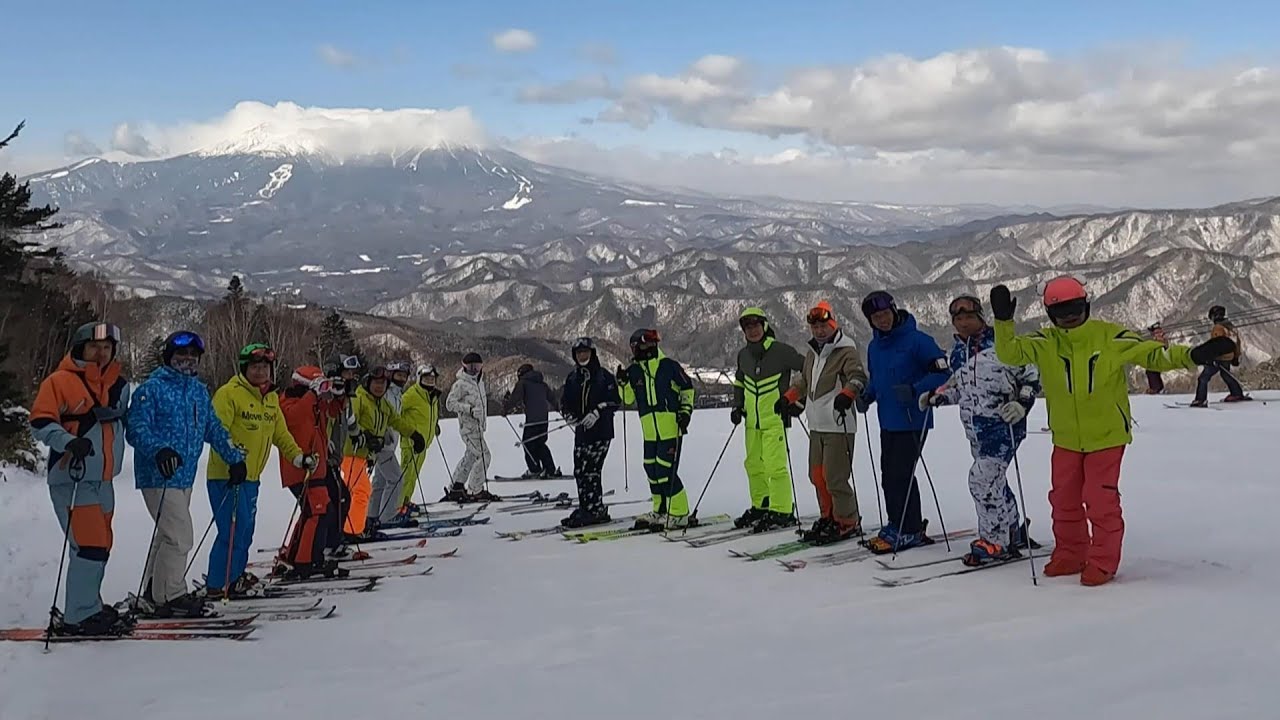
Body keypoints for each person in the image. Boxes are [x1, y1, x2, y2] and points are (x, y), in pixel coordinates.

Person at [991, 277, 1236, 585]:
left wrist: (1193, 355)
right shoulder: (1045, 342)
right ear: (1051, 315)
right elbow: (1009, 353)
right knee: (1063, 499)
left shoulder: (1110, 337)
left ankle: (1103, 561)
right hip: (1066, 438)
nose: (1070, 316)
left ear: (1086, 306)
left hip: (1107, 436)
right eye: (1062, 311)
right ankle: (1070, 554)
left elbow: (1153, 355)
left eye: (1075, 308)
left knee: (1099, 499)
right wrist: (1003, 322)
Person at [126, 330, 246, 617]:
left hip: (185, 476)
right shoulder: (151, 390)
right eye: (181, 354)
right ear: (169, 356)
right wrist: (159, 450)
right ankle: (170, 595)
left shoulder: (198, 392)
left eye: (193, 355)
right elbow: (136, 429)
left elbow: (213, 428)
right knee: (180, 536)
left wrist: (234, 459)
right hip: (159, 475)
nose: (188, 359)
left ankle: (153, 590)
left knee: (167, 536)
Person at [919, 296, 1041, 566]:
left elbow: (1031, 378)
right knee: (994, 481)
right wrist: (939, 397)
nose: (963, 323)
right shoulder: (958, 353)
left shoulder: (1003, 344)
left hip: (1004, 426)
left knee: (981, 480)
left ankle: (995, 541)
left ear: (981, 318)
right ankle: (1011, 530)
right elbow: (961, 389)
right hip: (975, 429)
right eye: (958, 319)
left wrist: (1022, 405)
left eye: (969, 317)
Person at [29, 322, 132, 636]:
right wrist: (68, 442)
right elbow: (40, 422)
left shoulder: (118, 385)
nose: (101, 353)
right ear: (80, 348)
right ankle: (80, 616)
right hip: (72, 478)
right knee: (89, 546)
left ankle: (88, 605)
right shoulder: (59, 381)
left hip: (104, 480)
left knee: (101, 546)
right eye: (94, 347)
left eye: (107, 348)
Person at [203, 343, 317, 598]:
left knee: (245, 531)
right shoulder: (229, 394)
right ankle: (217, 585)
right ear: (244, 369)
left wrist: (299, 458)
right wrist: (232, 461)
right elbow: (217, 431)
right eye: (255, 367)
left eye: (265, 367)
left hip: (251, 478)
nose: (260, 371)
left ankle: (235, 577)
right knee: (231, 532)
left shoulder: (270, 398)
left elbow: (281, 435)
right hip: (227, 477)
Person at [857, 290, 952, 554]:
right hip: (888, 420)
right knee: (889, 475)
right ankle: (897, 523)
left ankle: (909, 529)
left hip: (913, 419)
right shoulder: (875, 347)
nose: (882, 320)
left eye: (885, 314)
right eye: (876, 317)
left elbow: (943, 373)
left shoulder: (918, 341)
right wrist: (867, 396)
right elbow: (877, 379)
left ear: (894, 310)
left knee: (901, 475)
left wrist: (915, 389)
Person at [777, 301, 868, 544]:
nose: (819, 331)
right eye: (815, 327)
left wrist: (847, 394)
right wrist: (788, 398)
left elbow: (858, 377)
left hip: (839, 424)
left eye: (823, 326)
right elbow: (804, 382)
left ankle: (847, 521)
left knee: (835, 477)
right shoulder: (813, 353)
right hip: (817, 424)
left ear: (833, 324)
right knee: (817, 476)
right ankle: (828, 517)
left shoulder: (846, 351)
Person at [731, 307, 805, 534]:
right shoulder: (743, 355)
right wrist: (737, 406)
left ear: (764, 325)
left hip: (775, 419)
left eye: (756, 325)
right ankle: (761, 505)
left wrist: (797, 401)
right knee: (753, 465)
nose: (752, 331)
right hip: (752, 422)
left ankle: (782, 510)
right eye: (748, 327)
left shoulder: (781, 351)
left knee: (775, 466)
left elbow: (810, 370)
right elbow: (740, 382)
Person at [617, 328, 697, 530]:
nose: (649, 347)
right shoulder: (634, 371)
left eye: (652, 343)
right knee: (651, 470)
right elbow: (628, 399)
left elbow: (687, 388)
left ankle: (679, 513)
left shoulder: (669, 366)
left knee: (665, 470)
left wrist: (685, 412)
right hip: (649, 432)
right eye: (644, 344)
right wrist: (622, 383)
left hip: (671, 428)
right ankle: (660, 510)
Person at [275, 366, 348, 579]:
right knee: (318, 512)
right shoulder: (287, 402)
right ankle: (307, 560)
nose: (323, 391)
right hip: (300, 469)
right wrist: (312, 395)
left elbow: (331, 411)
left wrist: (339, 396)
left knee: (315, 512)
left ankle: (297, 556)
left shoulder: (314, 403)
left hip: (317, 468)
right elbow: (293, 419)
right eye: (320, 387)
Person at [345, 365, 422, 537]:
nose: (379, 387)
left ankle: (368, 520)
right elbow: (349, 420)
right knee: (369, 488)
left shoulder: (381, 403)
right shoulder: (360, 398)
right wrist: (364, 435)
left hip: (368, 454)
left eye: (383, 384)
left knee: (369, 487)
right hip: (352, 453)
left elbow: (397, 421)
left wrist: (414, 435)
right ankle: (363, 527)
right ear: (368, 383)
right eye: (376, 383)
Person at [559, 337, 619, 528]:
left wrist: (598, 411)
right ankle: (587, 507)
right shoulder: (572, 378)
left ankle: (595, 510)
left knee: (591, 471)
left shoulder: (604, 376)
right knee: (579, 471)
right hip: (582, 432)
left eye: (585, 352)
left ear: (592, 353)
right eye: (578, 353)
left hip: (601, 432)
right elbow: (565, 402)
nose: (582, 356)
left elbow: (615, 401)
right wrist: (569, 415)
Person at [367, 362, 420, 527]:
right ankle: (388, 516)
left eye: (404, 376)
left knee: (381, 481)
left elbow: (397, 419)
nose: (401, 379)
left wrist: (410, 433)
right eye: (398, 375)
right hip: (382, 445)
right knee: (396, 479)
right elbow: (379, 414)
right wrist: (383, 432)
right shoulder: (386, 393)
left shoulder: (398, 395)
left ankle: (372, 515)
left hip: (390, 444)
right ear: (391, 375)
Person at [320, 353, 361, 558]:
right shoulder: (326, 396)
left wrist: (357, 435)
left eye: (352, 373)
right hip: (325, 459)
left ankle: (331, 542)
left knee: (339, 499)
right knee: (339, 499)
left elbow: (350, 420)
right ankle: (330, 544)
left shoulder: (346, 397)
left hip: (335, 459)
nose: (351, 376)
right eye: (347, 372)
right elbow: (324, 420)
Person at [444, 352, 499, 502]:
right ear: (464, 367)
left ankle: (456, 486)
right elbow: (449, 403)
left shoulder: (479, 383)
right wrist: (468, 409)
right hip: (468, 428)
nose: (474, 370)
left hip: (477, 427)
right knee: (484, 456)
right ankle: (475, 490)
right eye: (470, 367)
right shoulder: (460, 384)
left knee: (471, 456)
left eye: (477, 367)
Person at [397, 364, 443, 516]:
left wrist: (434, 425)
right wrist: (405, 429)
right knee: (406, 475)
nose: (430, 382)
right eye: (426, 379)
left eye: (432, 379)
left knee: (413, 476)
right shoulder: (412, 394)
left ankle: (405, 501)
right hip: (411, 442)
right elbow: (396, 410)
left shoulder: (432, 396)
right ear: (419, 379)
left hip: (423, 443)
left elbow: (428, 415)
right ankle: (397, 506)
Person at [503, 363, 562, 478]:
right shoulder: (542, 384)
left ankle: (534, 469)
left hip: (532, 421)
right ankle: (550, 469)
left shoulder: (523, 383)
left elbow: (515, 398)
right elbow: (552, 398)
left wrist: (505, 409)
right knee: (540, 444)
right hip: (544, 420)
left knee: (528, 444)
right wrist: (558, 407)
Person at [1190, 306, 1250, 407]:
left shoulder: (1218, 328)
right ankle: (1236, 393)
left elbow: (1216, 345)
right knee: (1226, 374)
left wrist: (1210, 358)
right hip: (1229, 356)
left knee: (1203, 378)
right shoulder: (1230, 327)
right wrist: (1235, 356)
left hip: (1219, 357)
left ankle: (1200, 399)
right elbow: (1237, 342)